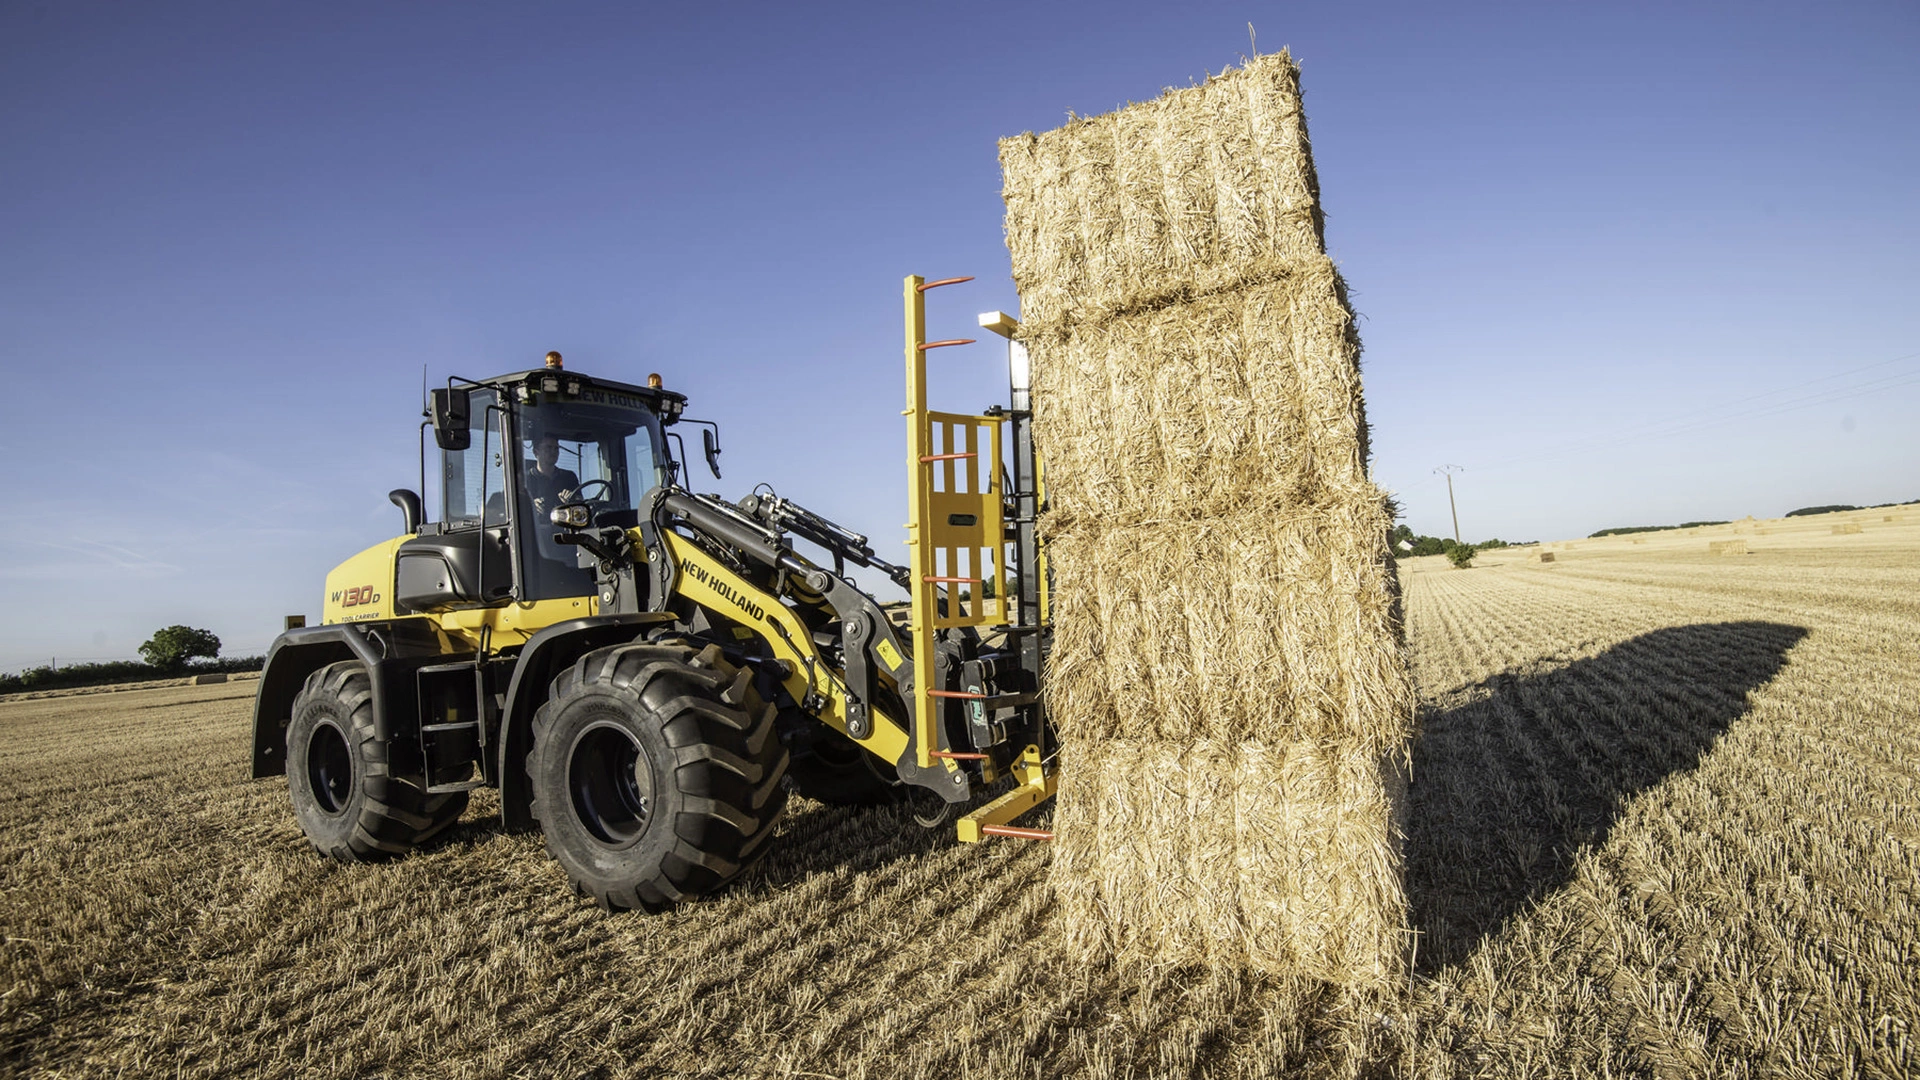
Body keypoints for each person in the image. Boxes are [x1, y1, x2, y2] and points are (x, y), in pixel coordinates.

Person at [524, 433, 579, 521]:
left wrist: (571, 500)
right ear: (535, 452)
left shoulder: (569, 477)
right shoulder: (523, 481)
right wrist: (531, 506)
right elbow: (514, 508)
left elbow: (580, 503)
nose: (553, 452)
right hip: (535, 531)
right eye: (548, 448)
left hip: (566, 528)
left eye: (556, 448)